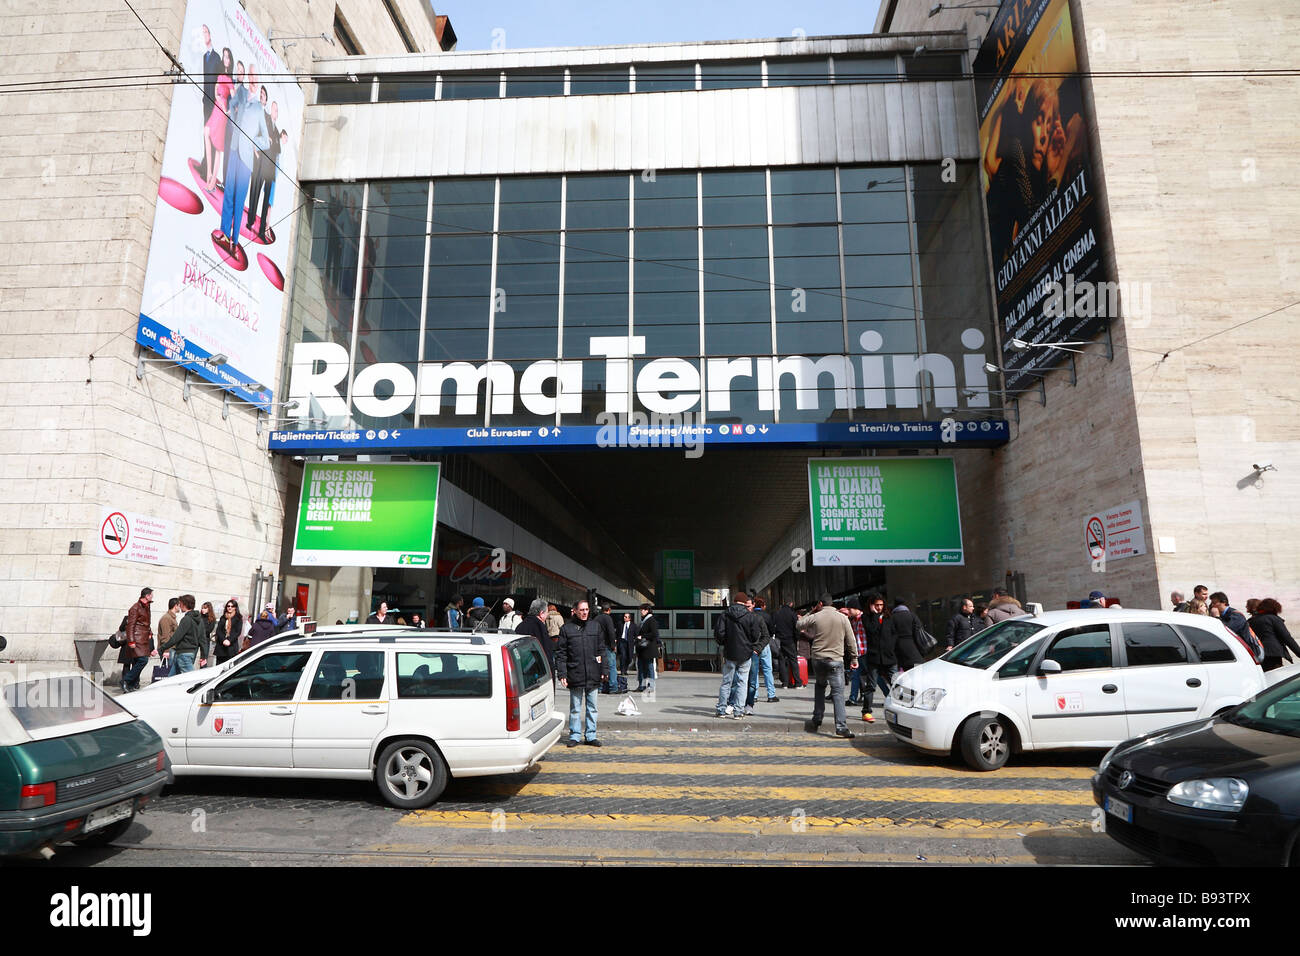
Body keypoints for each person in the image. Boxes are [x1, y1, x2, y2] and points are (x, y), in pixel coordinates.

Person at [218, 70, 269, 253]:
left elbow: (266, 138)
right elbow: (231, 111)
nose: (253, 79)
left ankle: (234, 240)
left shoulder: (259, 109)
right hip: (233, 150)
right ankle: (223, 232)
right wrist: (233, 123)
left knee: (239, 200)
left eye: (256, 76)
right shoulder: (240, 94)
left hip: (246, 159)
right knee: (228, 193)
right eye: (252, 75)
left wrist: (253, 143)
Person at [798, 593, 856, 738]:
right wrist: (854, 657)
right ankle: (841, 727)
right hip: (835, 659)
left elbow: (799, 625)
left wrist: (812, 610)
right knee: (837, 693)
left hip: (818, 658)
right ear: (833, 604)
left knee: (820, 686)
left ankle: (817, 717)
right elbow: (851, 639)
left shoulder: (816, 616)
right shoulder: (842, 618)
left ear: (821, 604)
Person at [556, 599, 605, 747]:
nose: (584, 612)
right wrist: (562, 674)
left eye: (586, 610)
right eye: (581, 610)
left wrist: (604, 670)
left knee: (592, 707)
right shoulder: (566, 629)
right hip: (575, 672)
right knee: (575, 708)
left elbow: (602, 649)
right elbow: (561, 653)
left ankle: (591, 735)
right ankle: (575, 735)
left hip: (593, 673)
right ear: (575, 611)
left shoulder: (595, 627)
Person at [714, 592, 761, 719]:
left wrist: (725, 643)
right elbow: (756, 635)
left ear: (734, 601)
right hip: (745, 654)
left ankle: (721, 709)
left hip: (730, 653)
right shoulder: (750, 616)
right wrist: (750, 644)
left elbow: (719, 633)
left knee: (726, 682)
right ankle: (738, 711)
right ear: (745, 602)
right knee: (742, 682)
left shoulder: (725, 614)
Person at [202, 47, 233, 190]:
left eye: (228, 57)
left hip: (222, 111)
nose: (225, 59)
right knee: (206, 132)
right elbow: (215, 91)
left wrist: (229, 110)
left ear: (230, 61)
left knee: (218, 146)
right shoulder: (220, 76)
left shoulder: (230, 80)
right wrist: (219, 100)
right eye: (224, 56)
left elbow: (234, 96)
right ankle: (209, 173)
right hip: (216, 107)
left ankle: (213, 181)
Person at [860, 593, 893, 723]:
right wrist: (874, 615)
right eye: (876, 605)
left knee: (896, 684)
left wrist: (891, 648)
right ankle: (866, 712)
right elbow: (871, 630)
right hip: (874, 657)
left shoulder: (888, 617)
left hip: (889, 657)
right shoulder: (866, 617)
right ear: (871, 605)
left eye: (881, 605)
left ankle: (901, 710)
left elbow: (893, 634)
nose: (879, 607)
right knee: (871, 685)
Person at [743, 596, 778, 714]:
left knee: (754, 671)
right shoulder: (767, 616)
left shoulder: (749, 617)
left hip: (754, 647)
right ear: (762, 605)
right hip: (765, 645)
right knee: (768, 669)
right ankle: (771, 694)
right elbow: (771, 632)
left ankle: (755, 695)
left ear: (753, 605)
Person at [158, 594, 203, 675]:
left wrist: (163, 647)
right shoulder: (197, 619)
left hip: (184, 654)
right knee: (171, 679)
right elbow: (201, 637)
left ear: (184, 604)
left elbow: (176, 637)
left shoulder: (186, 619)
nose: (180, 605)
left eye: (180, 603)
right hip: (186, 653)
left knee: (191, 680)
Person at [1250, 599, 1299, 672]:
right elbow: (1287, 638)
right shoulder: (1274, 619)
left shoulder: (1252, 621)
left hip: (1259, 654)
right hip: (1273, 655)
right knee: (1277, 677)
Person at [120, 587, 154, 692]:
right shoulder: (135, 608)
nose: (152, 597)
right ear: (147, 596)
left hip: (143, 638)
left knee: (137, 661)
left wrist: (150, 633)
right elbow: (130, 626)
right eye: (151, 595)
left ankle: (131, 684)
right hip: (137, 638)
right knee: (143, 660)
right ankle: (125, 680)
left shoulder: (147, 606)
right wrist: (131, 641)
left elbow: (146, 623)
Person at [888, 598, 927, 673]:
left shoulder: (892, 618)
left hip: (900, 653)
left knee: (906, 678)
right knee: (918, 677)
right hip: (915, 652)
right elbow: (918, 632)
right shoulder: (912, 615)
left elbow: (891, 636)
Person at [516, 598, 554, 670]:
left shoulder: (520, 626)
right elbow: (546, 654)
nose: (547, 615)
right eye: (547, 612)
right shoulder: (540, 628)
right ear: (541, 613)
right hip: (536, 673)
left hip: (520, 670)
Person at [773, 597, 802, 688]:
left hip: (780, 640)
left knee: (781, 661)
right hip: (790, 640)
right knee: (793, 660)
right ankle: (797, 683)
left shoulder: (777, 613)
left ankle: (784, 683)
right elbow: (796, 628)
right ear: (791, 604)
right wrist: (796, 638)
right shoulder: (793, 614)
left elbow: (772, 626)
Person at [844, 598, 867, 705]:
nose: (848, 611)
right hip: (858, 653)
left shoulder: (864, 618)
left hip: (865, 653)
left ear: (856, 608)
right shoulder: (853, 620)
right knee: (855, 676)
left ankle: (888, 696)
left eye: (850, 609)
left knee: (876, 677)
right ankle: (852, 698)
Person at [635, 604, 660, 693]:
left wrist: (642, 636)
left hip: (649, 648)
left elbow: (654, 634)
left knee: (649, 667)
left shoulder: (651, 620)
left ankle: (651, 686)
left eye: (642, 610)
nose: (641, 611)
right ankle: (641, 685)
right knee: (641, 667)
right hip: (642, 648)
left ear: (647, 611)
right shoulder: (643, 620)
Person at [156, 597, 180, 669]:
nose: (180, 607)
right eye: (179, 605)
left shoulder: (172, 618)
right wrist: (166, 651)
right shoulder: (166, 618)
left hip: (172, 649)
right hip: (168, 649)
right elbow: (165, 636)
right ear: (175, 606)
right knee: (168, 672)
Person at [199, 600, 218, 666]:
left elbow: (209, 630)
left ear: (209, 609)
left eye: (205, 608)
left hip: (205, 640)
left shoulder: (212, 619)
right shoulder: (199, 617)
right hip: (196, 639)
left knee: (204, 658)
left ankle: (203, 671)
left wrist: (200, 631)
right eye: (202, 608)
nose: (203, 609)